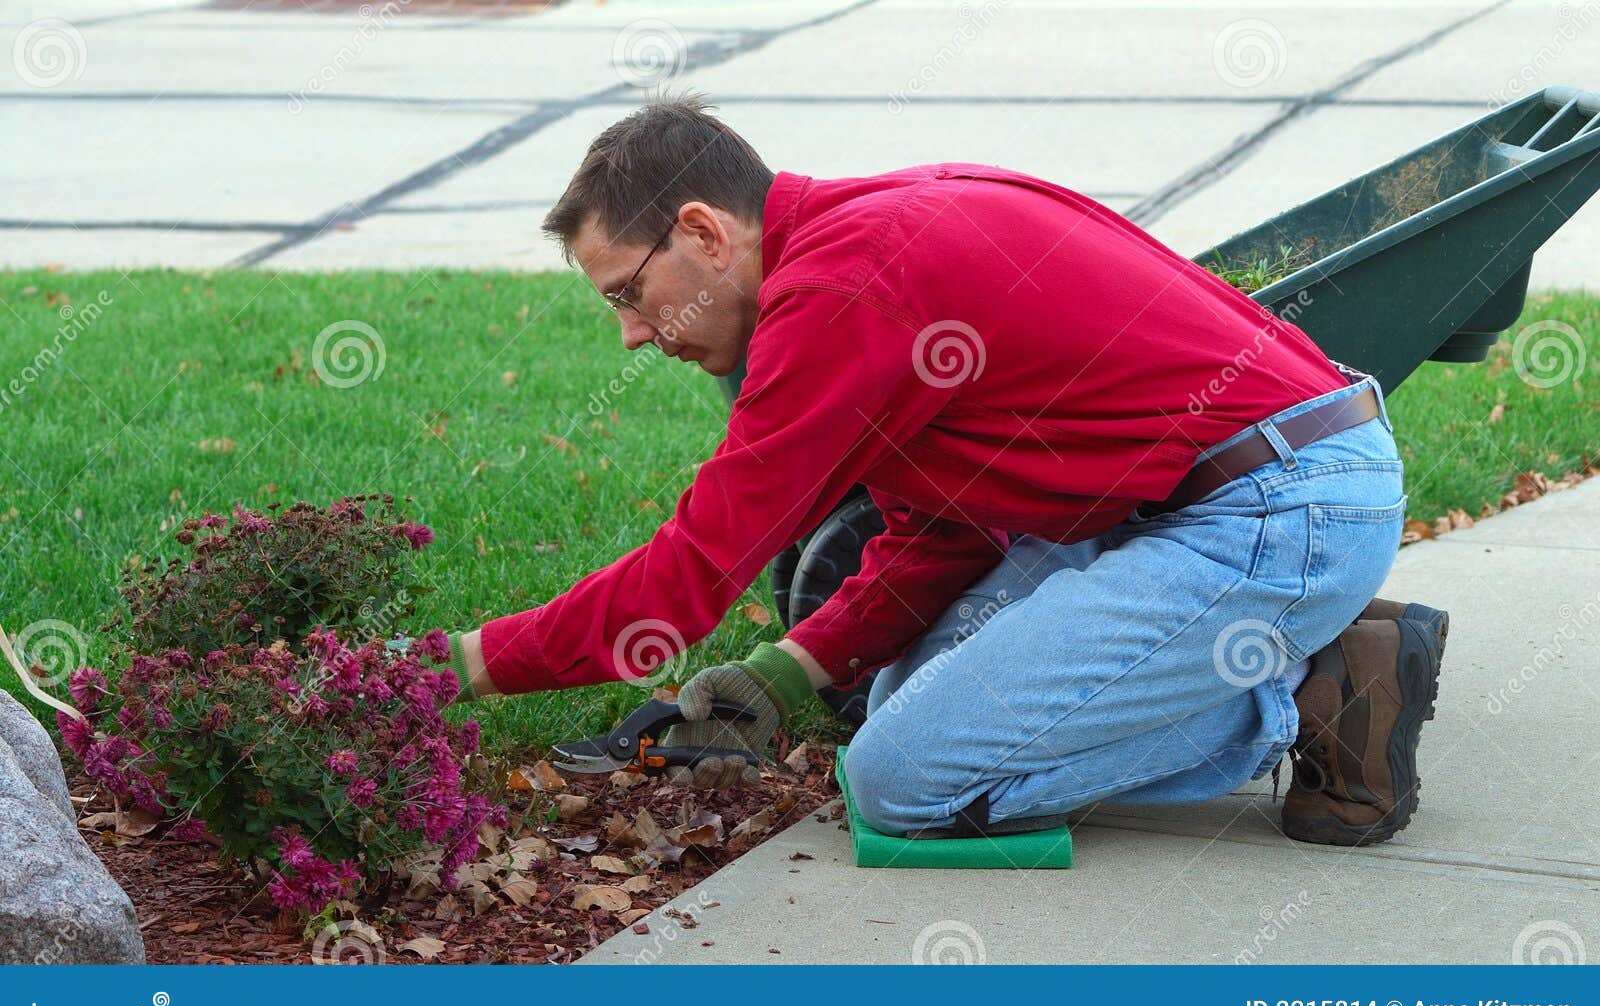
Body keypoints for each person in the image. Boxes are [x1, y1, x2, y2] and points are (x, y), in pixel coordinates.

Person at [446, 94, 1447, 848]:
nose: (629, 334)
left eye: (630, 291)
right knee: (895, 710)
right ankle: (1280, 649)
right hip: (1215, 498)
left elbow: (682, 580)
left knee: (902, 781)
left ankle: (1313, 689)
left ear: (704, 232)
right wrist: (785, 672)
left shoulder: (841, 287)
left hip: (1278, 510)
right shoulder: (859, 242)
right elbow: (946, 531)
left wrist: (456, 666)